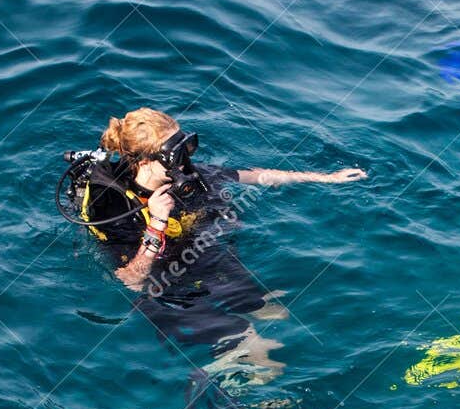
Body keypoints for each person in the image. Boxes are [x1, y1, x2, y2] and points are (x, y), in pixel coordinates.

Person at [60, 107, 366, 381]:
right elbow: (131, 279)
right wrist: (156, 221)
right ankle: (249, 396)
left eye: (186, 146)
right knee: (258, 350)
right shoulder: (110, 206)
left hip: (204, 259)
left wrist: (327, 178)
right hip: (166, 289)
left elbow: (254, 176)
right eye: (176, 153)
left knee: (275, 312)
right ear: (146, 160)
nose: (187, 160)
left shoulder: (182, 176)